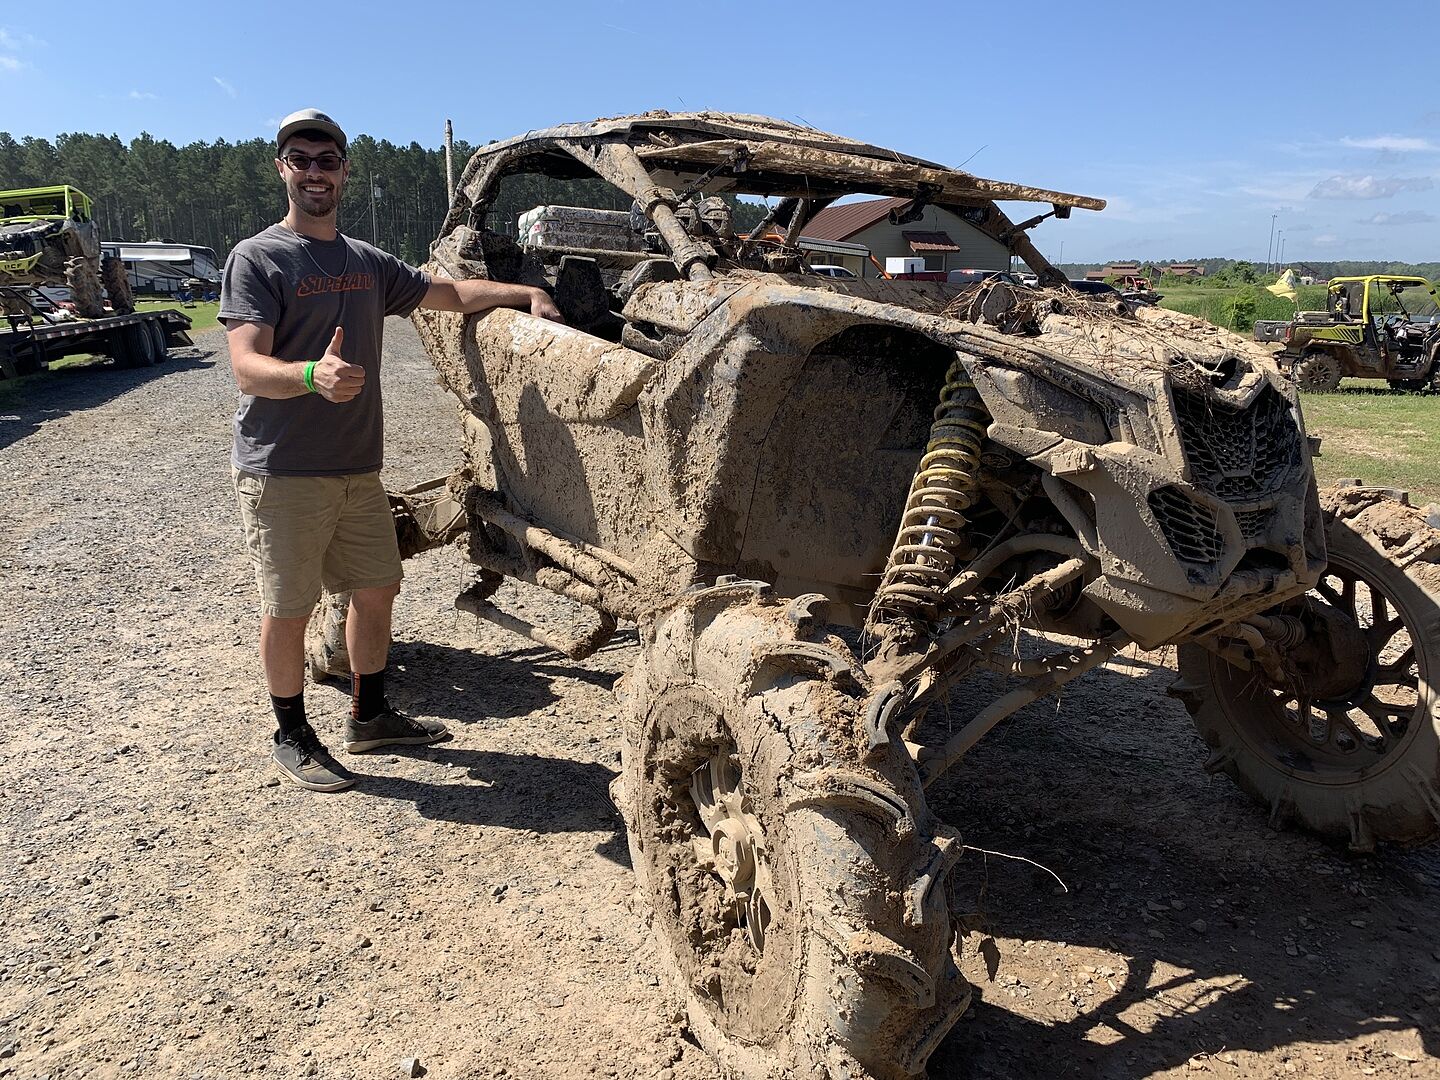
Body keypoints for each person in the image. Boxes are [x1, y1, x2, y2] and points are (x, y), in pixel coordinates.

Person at [220, 108, 562, 792]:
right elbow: (246, 365)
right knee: (289, 608)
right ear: (282, 168)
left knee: (377, 590)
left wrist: (527, 290)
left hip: (356, 471)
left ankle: (369, 717)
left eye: (327, 160)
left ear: (344, 171)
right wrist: (310, 376)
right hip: (283, 471)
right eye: (301, 159)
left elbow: (450, 292)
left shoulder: (363, 262)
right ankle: (290, 732)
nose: (314, 171)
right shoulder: (258, 258)